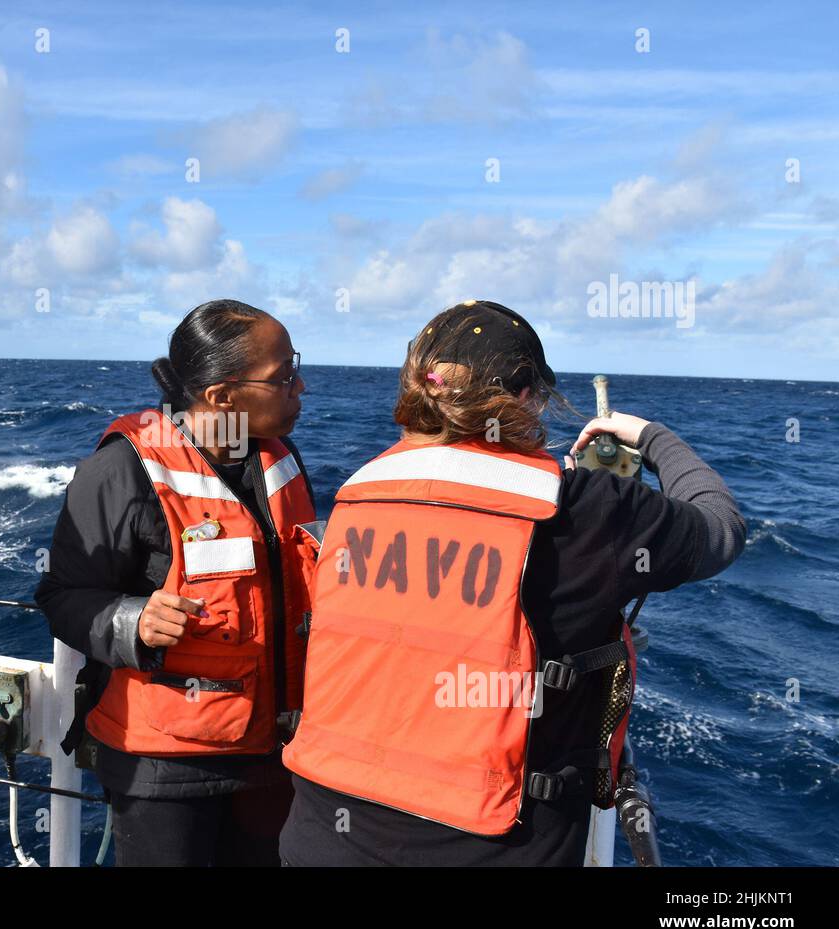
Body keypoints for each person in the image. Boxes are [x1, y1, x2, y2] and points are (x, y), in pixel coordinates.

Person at [280, 299, 746, 866]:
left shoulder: (361, 489)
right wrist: (652, 437)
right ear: (526, 395)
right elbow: (720, 530)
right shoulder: (583, 508)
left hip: (322, 830)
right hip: (489, 847)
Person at [36, 300, 321, 866]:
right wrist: (131, 620)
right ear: (221, 396)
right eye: (284, 376)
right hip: (167, 769)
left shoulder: (280, 463)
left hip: (275, 754)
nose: (301, 386)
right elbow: (61, 594)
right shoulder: (121, 472)